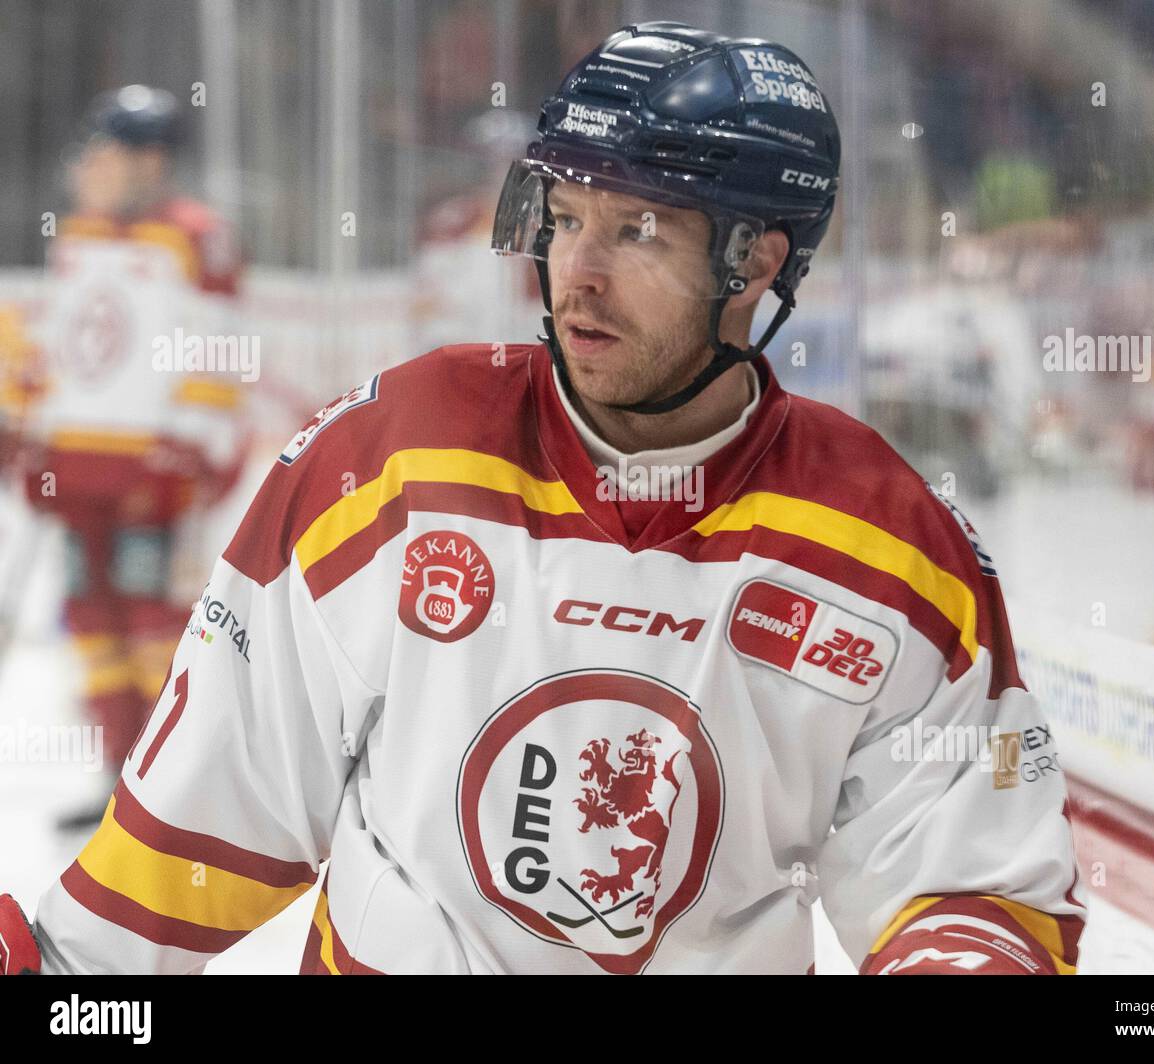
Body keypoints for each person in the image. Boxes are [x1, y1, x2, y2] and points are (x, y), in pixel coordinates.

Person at [0, 23, 1084, 975]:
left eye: (638, 231)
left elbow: (972, 880)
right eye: (565, 218)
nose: (577, 271)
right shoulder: (392, 456)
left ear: (755, 260)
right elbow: (216, 796)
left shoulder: (890, 541)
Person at [17, 85, 247, 832]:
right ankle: (119, 777)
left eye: (106, 152)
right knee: (91, 621)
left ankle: (168, 787)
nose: (90, 167)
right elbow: (65, 344)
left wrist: (190, 453)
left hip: (152, 474)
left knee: (155, 622)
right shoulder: (79, 232)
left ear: (150, 160)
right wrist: (31, 433)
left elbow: (214, 349)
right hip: (78, 468)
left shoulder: (193, 237)